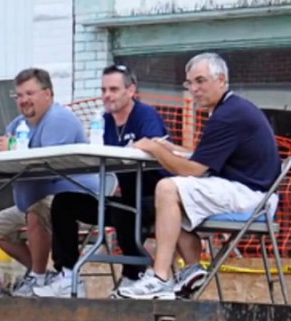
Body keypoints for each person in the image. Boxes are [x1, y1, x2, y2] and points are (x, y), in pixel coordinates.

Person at [118, 52, 281, 300]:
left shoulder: (228, 115)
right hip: (250, 191)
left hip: (253, 197)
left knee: (167, 189)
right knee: (171, 204)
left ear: (221, 80)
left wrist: (155, 149)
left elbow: (194, 169)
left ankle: (160, 277)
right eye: (189, 83)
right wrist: (171, 149)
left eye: (200, 81)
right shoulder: (230, 109)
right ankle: (192, 271)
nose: (194, 89)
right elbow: (203, 159)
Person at [35, 64, 171, 297]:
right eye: (104, 90)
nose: (107, 95)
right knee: (64, 202)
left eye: (114, 89)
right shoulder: (104, 121)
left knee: (123, 209)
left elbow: (158, 149)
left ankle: (134, 275)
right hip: (121, 197)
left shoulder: (145, 115)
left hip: (155, 199)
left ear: (131, 90)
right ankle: (68, 275)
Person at [0, 67, 103, 296]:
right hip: (33, 201)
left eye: (30, 93)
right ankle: (42, 274)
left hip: (73, 199)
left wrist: (12, 153)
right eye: (19, 95)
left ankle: (37, 279)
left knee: (36, 211)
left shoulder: (59, 119)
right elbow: (6, 160)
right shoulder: (17, 125)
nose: (24, 100)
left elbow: (47, 166)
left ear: (47, 94)